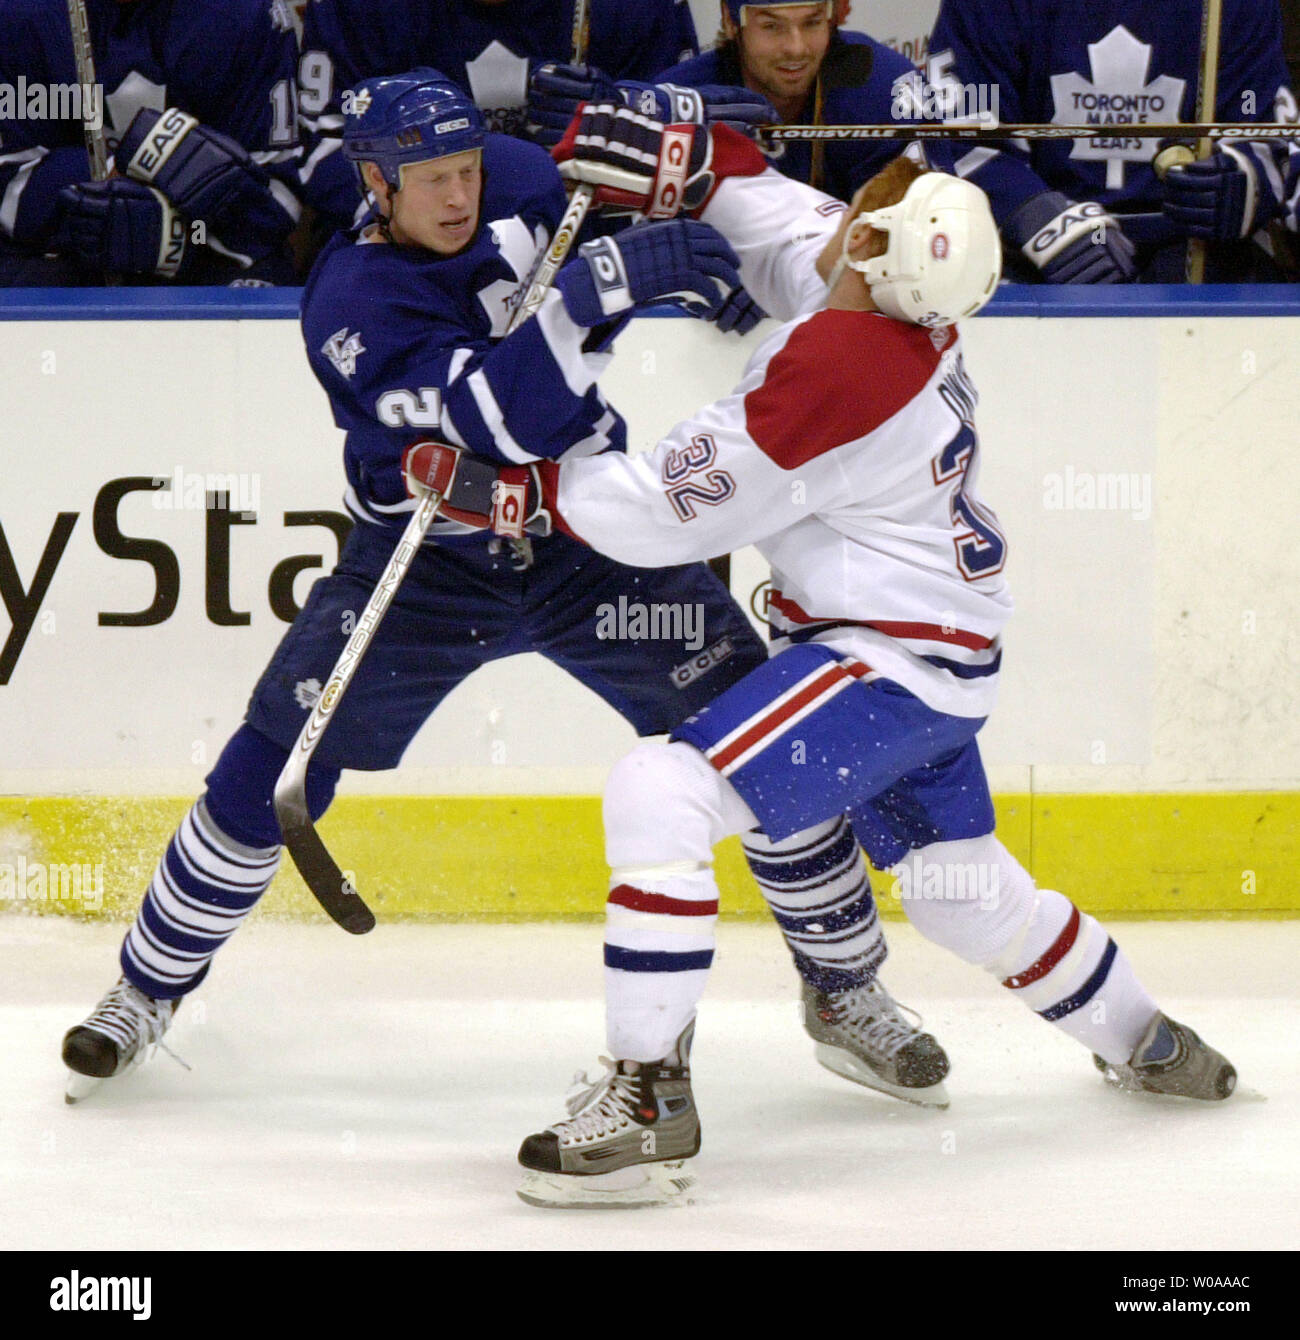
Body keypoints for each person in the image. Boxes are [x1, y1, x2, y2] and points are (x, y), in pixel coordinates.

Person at [60, 73, 945, 1109]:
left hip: (591, 537)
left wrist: (680, 135)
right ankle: (145, 988)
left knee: (764, 746)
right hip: (425, 566)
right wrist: (592, 294)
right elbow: (491, 423)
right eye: (431, 178)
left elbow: (628, 170)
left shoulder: (522, 181)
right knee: (270, 762)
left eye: (468, 169)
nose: (459, 196)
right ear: (376, 181)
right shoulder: (351, 299)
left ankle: (846, 991)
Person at [403, 113, 1237, 1208]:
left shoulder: (837, 368)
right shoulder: (897, 308)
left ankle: (648, 1098)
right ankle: (1153, 1039)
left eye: (866, 218)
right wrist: (701, 175)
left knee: (661, 791)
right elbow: (798, 233)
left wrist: (528, 495)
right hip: (940, 659)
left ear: (878, 253)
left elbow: (667, 513)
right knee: (957, 890)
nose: (845, 219)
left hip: (881, 662)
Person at [923, 0, 1300, 283]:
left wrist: (1248, 177)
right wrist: (1035, 219)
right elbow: (962, 134)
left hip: (1195, 261)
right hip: (1031, 271)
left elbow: (1262, 120)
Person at [297, 0, 699, 234]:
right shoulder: (362, 8)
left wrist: (618, 124)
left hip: (586, 248)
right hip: (414, 261)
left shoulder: (634, 9)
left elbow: (685, 162)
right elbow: (324, 153)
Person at [0, 0, 302, 286]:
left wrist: (181, 240)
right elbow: (8, 179)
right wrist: (119, 181)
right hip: (57, 252)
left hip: (208, 253)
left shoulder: (243, 14)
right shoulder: (21, 16)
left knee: (261, 290)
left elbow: (276, 205)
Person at [654, 2, 922, 201]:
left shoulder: (884, 84)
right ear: (730, 20)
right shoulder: (678, 108)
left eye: (812, 22)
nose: (796, 47)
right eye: (772, 26)